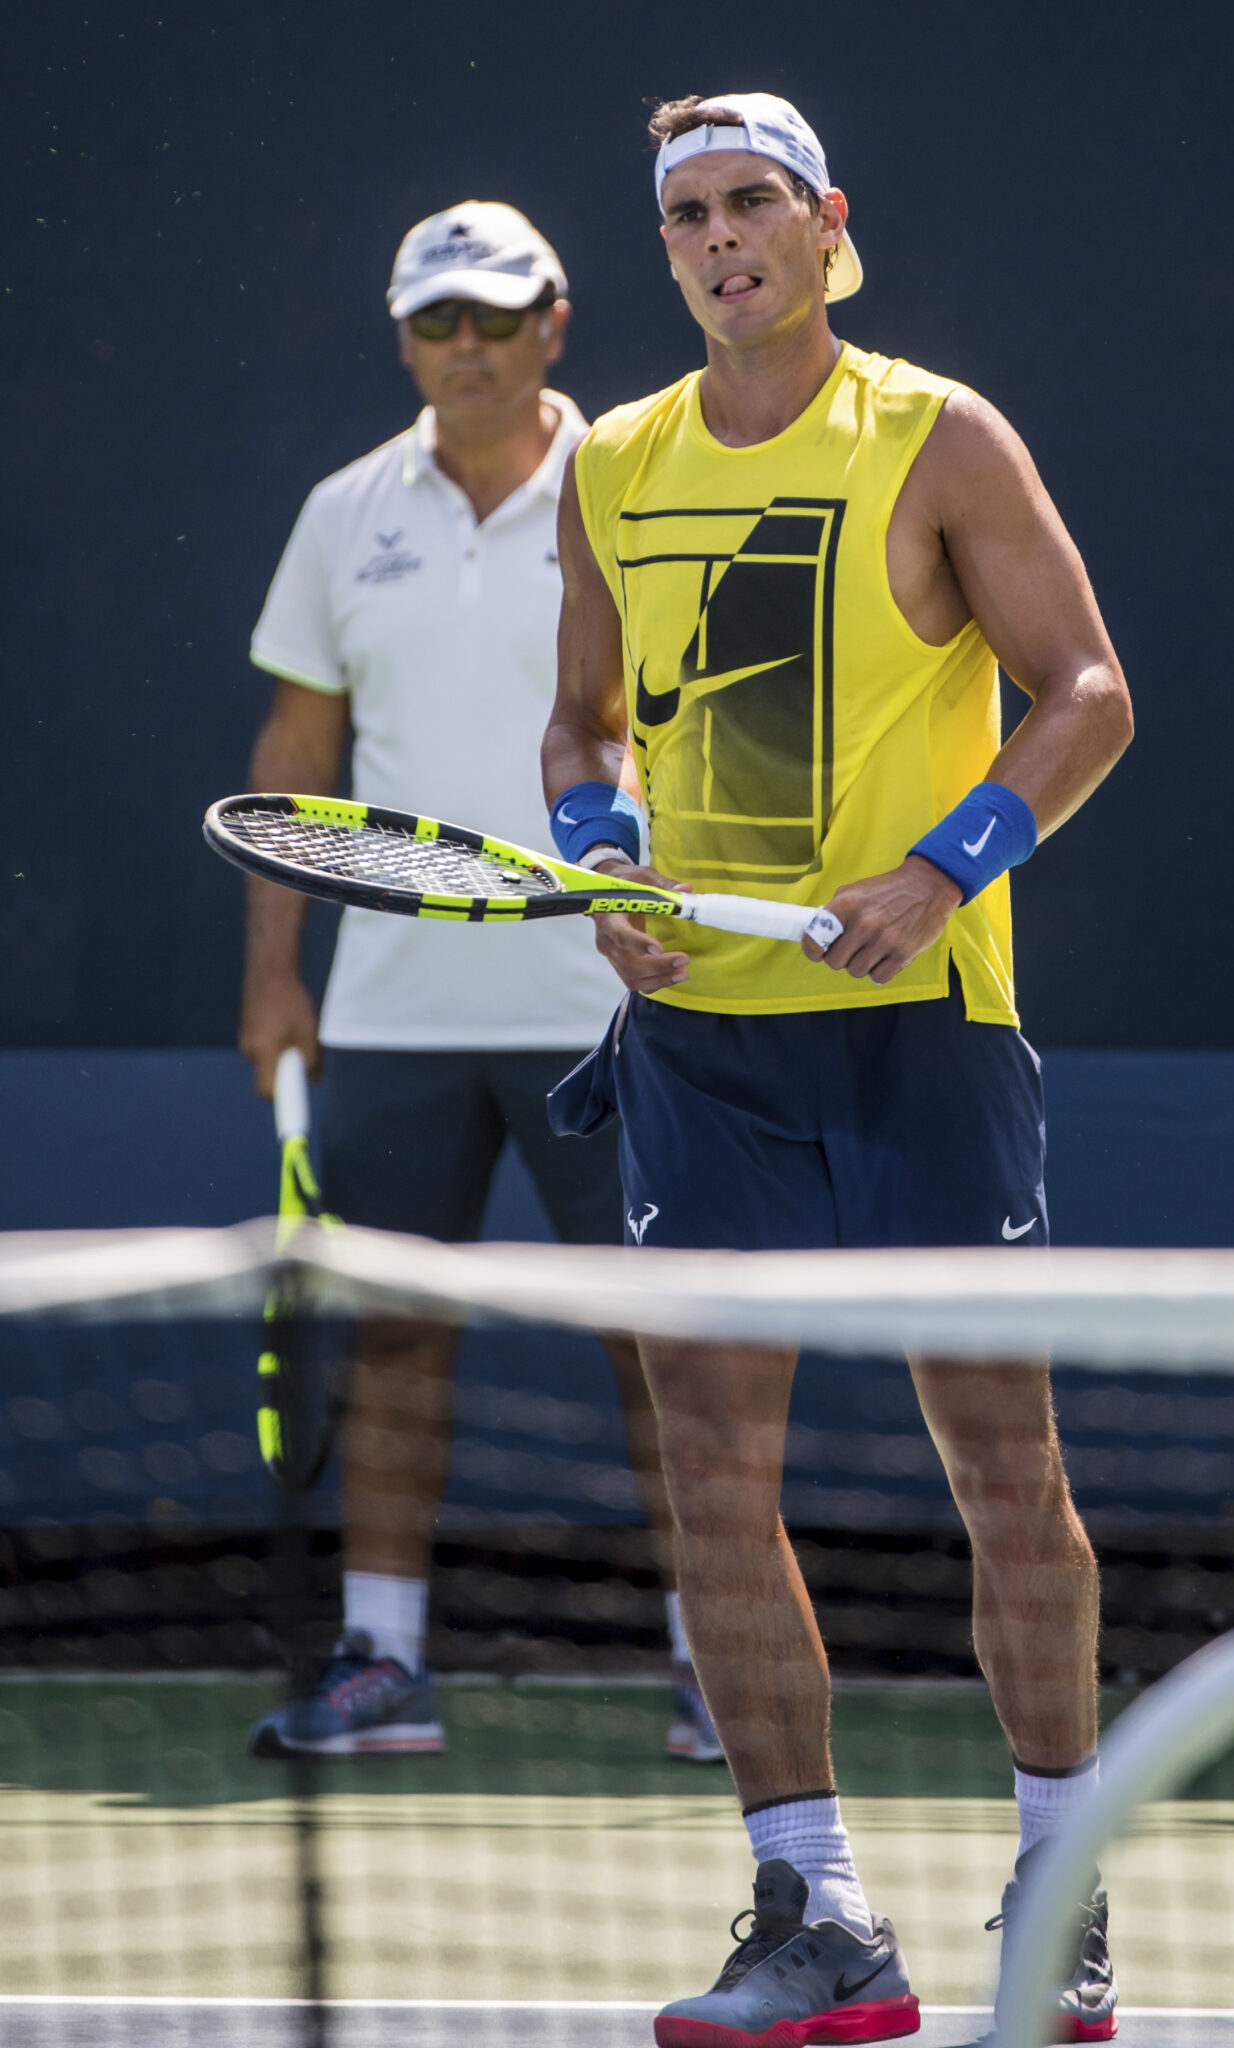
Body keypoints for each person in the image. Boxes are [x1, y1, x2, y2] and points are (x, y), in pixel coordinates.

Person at [543, 94, 1133, 2046]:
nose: (717, 242)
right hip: (698, 1050)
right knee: (713, 1484)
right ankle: (816, 1916)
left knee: (1001, 1471)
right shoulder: (608, 464)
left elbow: (1086, 693)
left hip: (919, 1036)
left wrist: (937, 867)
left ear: (823, 228)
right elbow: (583, 729)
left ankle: (1059, 1878)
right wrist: (608, 874)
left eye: (749, 207)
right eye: (685, 218)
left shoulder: (935, 433)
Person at [240, 199, 719, 1765]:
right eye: (437, 321)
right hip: (390, 1010)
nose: (466, 347)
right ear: (403, 336)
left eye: (494, 319)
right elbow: (297, 765)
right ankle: (383, 1665)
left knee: (662, 1347)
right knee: (392, 1338)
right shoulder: (340, 513)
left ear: (553, 326)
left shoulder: (638, 484)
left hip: (605, 1005)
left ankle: (710, 1661)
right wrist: (276, 980)